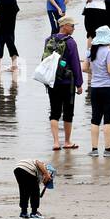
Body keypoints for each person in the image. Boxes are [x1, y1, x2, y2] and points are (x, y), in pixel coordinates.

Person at [44, 16, 82, 150]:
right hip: (67, 82)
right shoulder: (71, 42)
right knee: (68, 112)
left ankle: (55, 142)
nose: (73, 28)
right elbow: (75, 63)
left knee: (54, 111)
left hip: (52, 81)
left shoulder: (49, 40)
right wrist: (79, 83)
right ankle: (67, 141)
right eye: (72, 26)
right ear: (64, 26)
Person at [85, 25, 110, 156]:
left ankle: (94, 149)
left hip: (95, 88)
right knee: (108, 119)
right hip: (108, 89)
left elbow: (84, 68)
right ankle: (108, 149)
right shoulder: (108, 52)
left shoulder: (89, 51)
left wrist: (95, 72)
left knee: (95, 118)